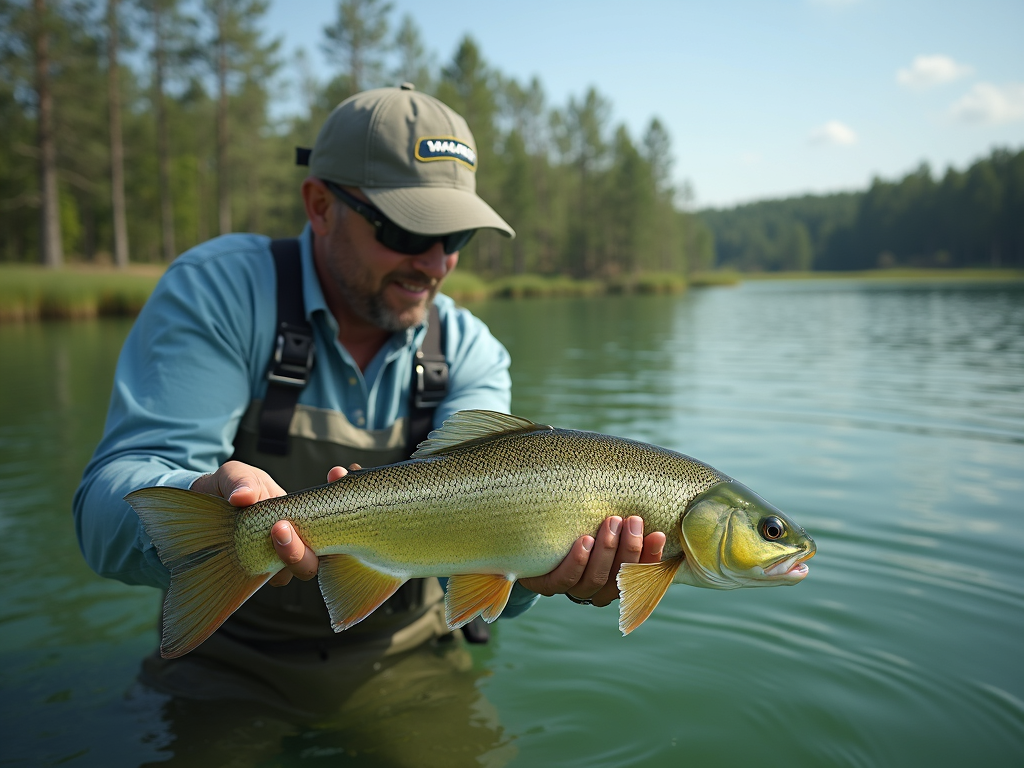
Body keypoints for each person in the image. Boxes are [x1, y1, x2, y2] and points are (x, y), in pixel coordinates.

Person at [73, 85, 665, 714]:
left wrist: (540, 572)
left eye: (457, 235)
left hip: (406, 657)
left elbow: (486, 570)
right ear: (320, 205)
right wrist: (203, 502)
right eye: (408, 228)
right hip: (227, 658)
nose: (435, 263)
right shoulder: (218, 294)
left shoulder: (471, 351)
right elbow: (108, 506)